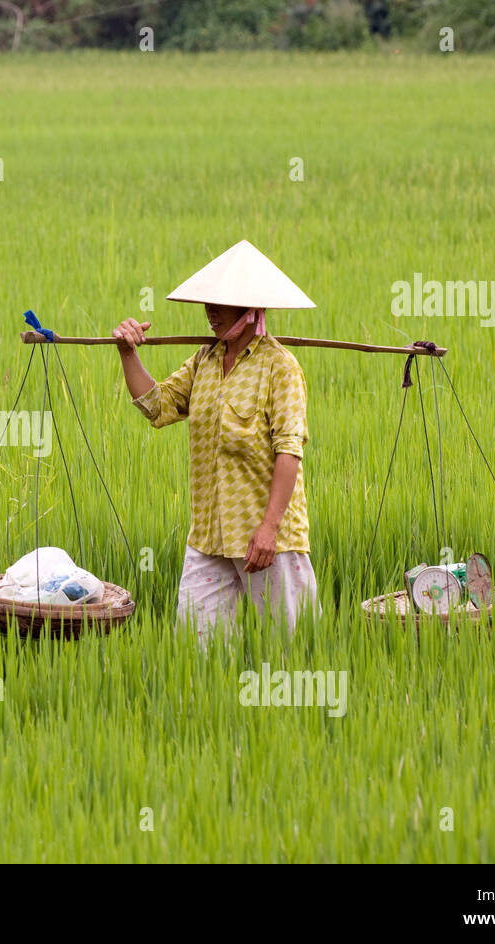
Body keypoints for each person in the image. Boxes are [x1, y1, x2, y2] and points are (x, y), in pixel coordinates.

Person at [113, 240, 321, 648]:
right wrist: (127, 354)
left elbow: (289, 450)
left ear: (251, 308)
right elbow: (157, 407)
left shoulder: (280, 368)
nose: (211, 312)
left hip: (268, 540)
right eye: (208, 302)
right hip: (209, 536)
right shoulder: (204, 362)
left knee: (291, 650)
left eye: (222, 303)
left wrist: (269, 529)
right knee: (197, 651)